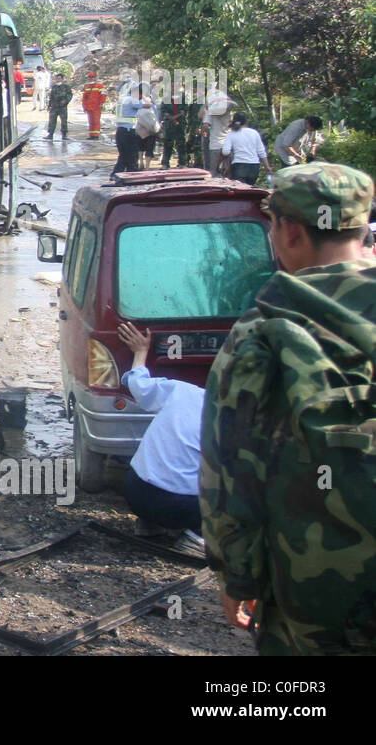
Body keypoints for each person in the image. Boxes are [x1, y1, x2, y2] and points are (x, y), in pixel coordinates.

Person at [202, 162, 376, 654]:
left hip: (311, 582)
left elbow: (230, 468)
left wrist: (238, 577)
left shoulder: (261, 332)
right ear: (362, 226)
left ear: (290, 231)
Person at [116, 322, 205, 540]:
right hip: (181, 508)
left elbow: (138, 386)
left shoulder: (182, 391)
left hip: (135, 492)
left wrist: (140, 352)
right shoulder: (234, 426)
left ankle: (149, 523)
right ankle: (197, 537)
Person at [219, 112, 267, 184]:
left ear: (234, 121)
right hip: (254, 166)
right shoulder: (254, 133)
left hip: (239, 166)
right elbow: (261, 152)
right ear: (246, 121)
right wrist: (267, 166)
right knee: (250, 190)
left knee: (240, 191)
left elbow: (225, 152)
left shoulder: (231, 134)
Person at [112, 81, 143, 175]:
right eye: (141, 95)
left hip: (120, 131)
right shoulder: (133, 100)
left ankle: (121, 173)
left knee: (124, 154)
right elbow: (146, 105)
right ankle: (129, 171)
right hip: (128, 132)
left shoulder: (123, 99)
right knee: (132, 153)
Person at [202, 90, 233, 175]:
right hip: (228, 145)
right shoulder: (227, 112)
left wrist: (204, 131)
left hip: (215, 145)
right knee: (228, 172)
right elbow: (231, 125)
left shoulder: (210, 111)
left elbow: (205, 126)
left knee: (214, 172)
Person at [160, 91, 188, 169]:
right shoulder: (166, 99)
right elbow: (163, 111)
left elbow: (185, 110)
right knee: (167, 144)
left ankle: (182, 163)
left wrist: (176, 117)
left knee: (181, 144)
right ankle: (165, 163)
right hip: (169, 124)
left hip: (180, 124)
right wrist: (170, 118)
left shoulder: (183, 99)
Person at [45, 72, 72, 140]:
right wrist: (49, 105)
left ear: (62, 79)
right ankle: (50, 134)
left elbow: (70, 95)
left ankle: (64, 135)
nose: (58, 80)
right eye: (57, 78)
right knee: (52, 121)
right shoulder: (54, 87)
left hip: (62, 107)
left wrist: (65, 101)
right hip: (54, 107)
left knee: (63, 121)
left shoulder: (66, 87)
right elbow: (51, 97)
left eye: (59, 78)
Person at [135, 97, 159, 169]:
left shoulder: (138, 109)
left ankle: (141, 163)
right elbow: (156, 119)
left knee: (140, 148)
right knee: (149, 149)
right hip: (150, 132)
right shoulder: (153, 108)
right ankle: (147, 167)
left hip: (139, 131)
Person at [81, 71, 105, 140]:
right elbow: (84, 98)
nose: (91, 79)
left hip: (96, 107)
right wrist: (84, 106)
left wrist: (101, 103)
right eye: (90, 78)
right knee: (90, 121)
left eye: (92, 77)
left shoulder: (100, 86)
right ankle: (92, 135)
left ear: (95, 78)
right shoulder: (87, 87)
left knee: (96, 121)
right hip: (89, 107)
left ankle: (96, 135)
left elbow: (103, 95)